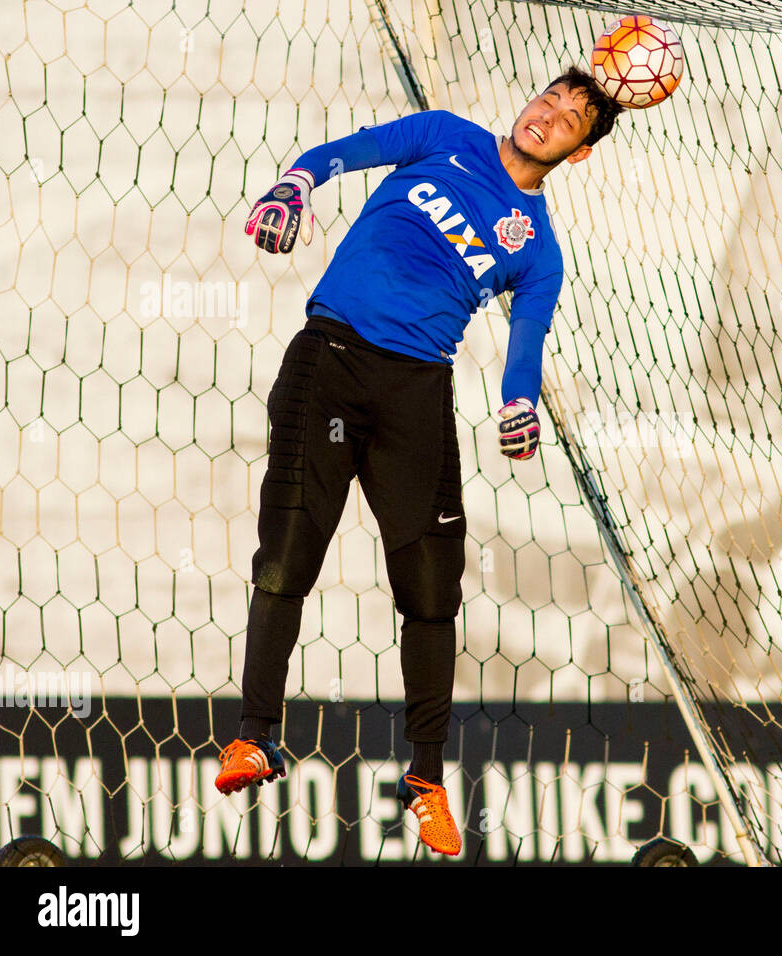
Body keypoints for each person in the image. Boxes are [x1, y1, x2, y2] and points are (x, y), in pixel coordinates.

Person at [213, 66, 622, 856]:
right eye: (551, 98)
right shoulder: (444, 136)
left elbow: (525, 347)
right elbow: (345, 151)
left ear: (578, 155)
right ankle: (253, 738)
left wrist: (519, 408)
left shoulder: (538, 251)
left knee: (432, 591)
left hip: (416, 396)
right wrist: (293, 187)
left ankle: (427, 779)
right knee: (287, 556)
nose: (550, 115)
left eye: (571, 120)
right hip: (329, 361)